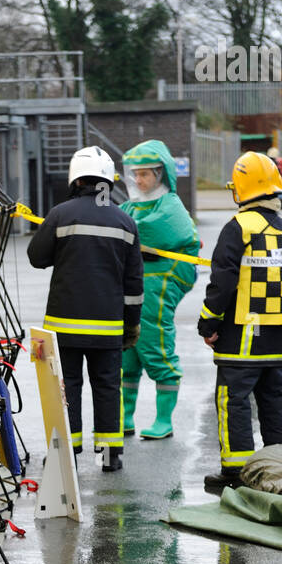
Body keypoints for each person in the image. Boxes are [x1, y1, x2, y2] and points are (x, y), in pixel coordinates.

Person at [27, 145, 143, 471]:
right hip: (108, 329)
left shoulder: (60, 214)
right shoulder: (125, 222)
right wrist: (130, 327)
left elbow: (37, 257)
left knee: (68, 387)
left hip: (64, 329)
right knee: (107, 387)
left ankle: (68, 455)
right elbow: (134, 288)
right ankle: (109, 457)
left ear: (75, 179)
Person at [196, 151, 282, 493]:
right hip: (278, 337)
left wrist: (208, 323)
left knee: (234, 401)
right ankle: (281, 468)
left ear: (240, 190)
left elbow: (222, 282)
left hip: (241, 336)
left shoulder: (238, 228)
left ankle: (236, 472)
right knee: (275, 400)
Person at [119, 139, 200, 439]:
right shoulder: (131, 206)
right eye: (135, 174)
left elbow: (152, 232)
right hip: (133, 288)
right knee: (127, 356)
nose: (139, 180)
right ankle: (125, 417)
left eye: (146, 174)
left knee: (156, 346)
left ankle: (163, 419)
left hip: (158, 287)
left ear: (161, 174)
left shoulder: (170, 205)